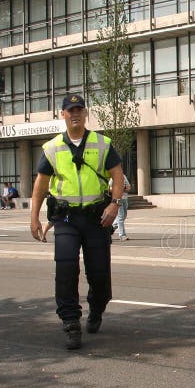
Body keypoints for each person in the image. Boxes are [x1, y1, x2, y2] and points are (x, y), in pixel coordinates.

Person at [29, 93, 125, 350]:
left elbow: (117, 175)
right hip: (67, 219)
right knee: (66, 269)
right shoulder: (52, 148)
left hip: (96, 219)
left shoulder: (102, 143)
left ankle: (97, 307)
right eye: (70, 110)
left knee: (100, 273)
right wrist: (34, 217)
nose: (74, 114)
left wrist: (114, 204)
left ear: (85, 114)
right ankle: (71, 322)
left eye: (79, 109)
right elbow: (40, 185)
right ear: (62, 114)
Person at [111, 174, 132, 241]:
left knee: (124, 216)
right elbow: (110, 189)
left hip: (125, 198)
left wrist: (126, 188)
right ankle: (122, 235)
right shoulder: (112, 177)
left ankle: (110, 230)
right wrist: (118, 189)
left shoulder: (123, 176)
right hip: (118, 199)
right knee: (121, 216)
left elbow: (128, 187)